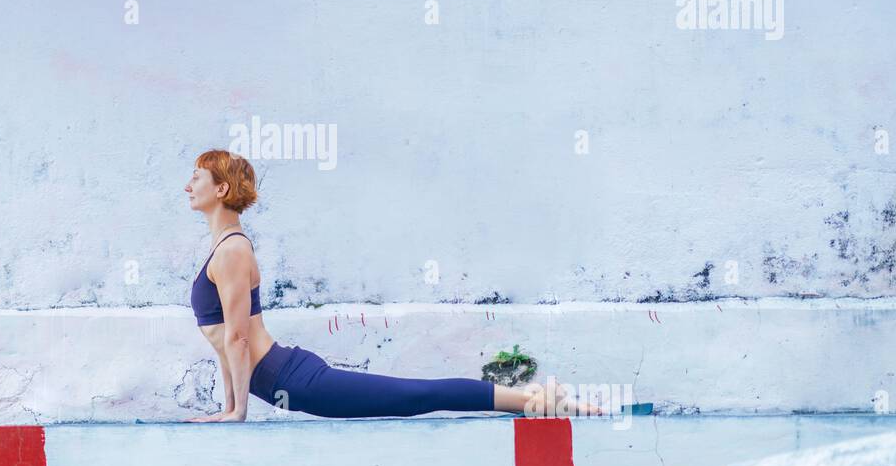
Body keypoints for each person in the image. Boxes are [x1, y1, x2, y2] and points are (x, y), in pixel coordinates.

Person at [182, 148, 604, 422]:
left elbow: (237, 338)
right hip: (278, 380)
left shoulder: (233, 251)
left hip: (293, 381)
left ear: (221, 188)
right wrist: (231, 407)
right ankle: (532, 396)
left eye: (197, 178)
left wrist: (236, 413)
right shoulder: (224, 247)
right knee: (414, 397)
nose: (188, 185)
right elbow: (225, 341)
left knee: (415, 397)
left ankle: (537, 402)